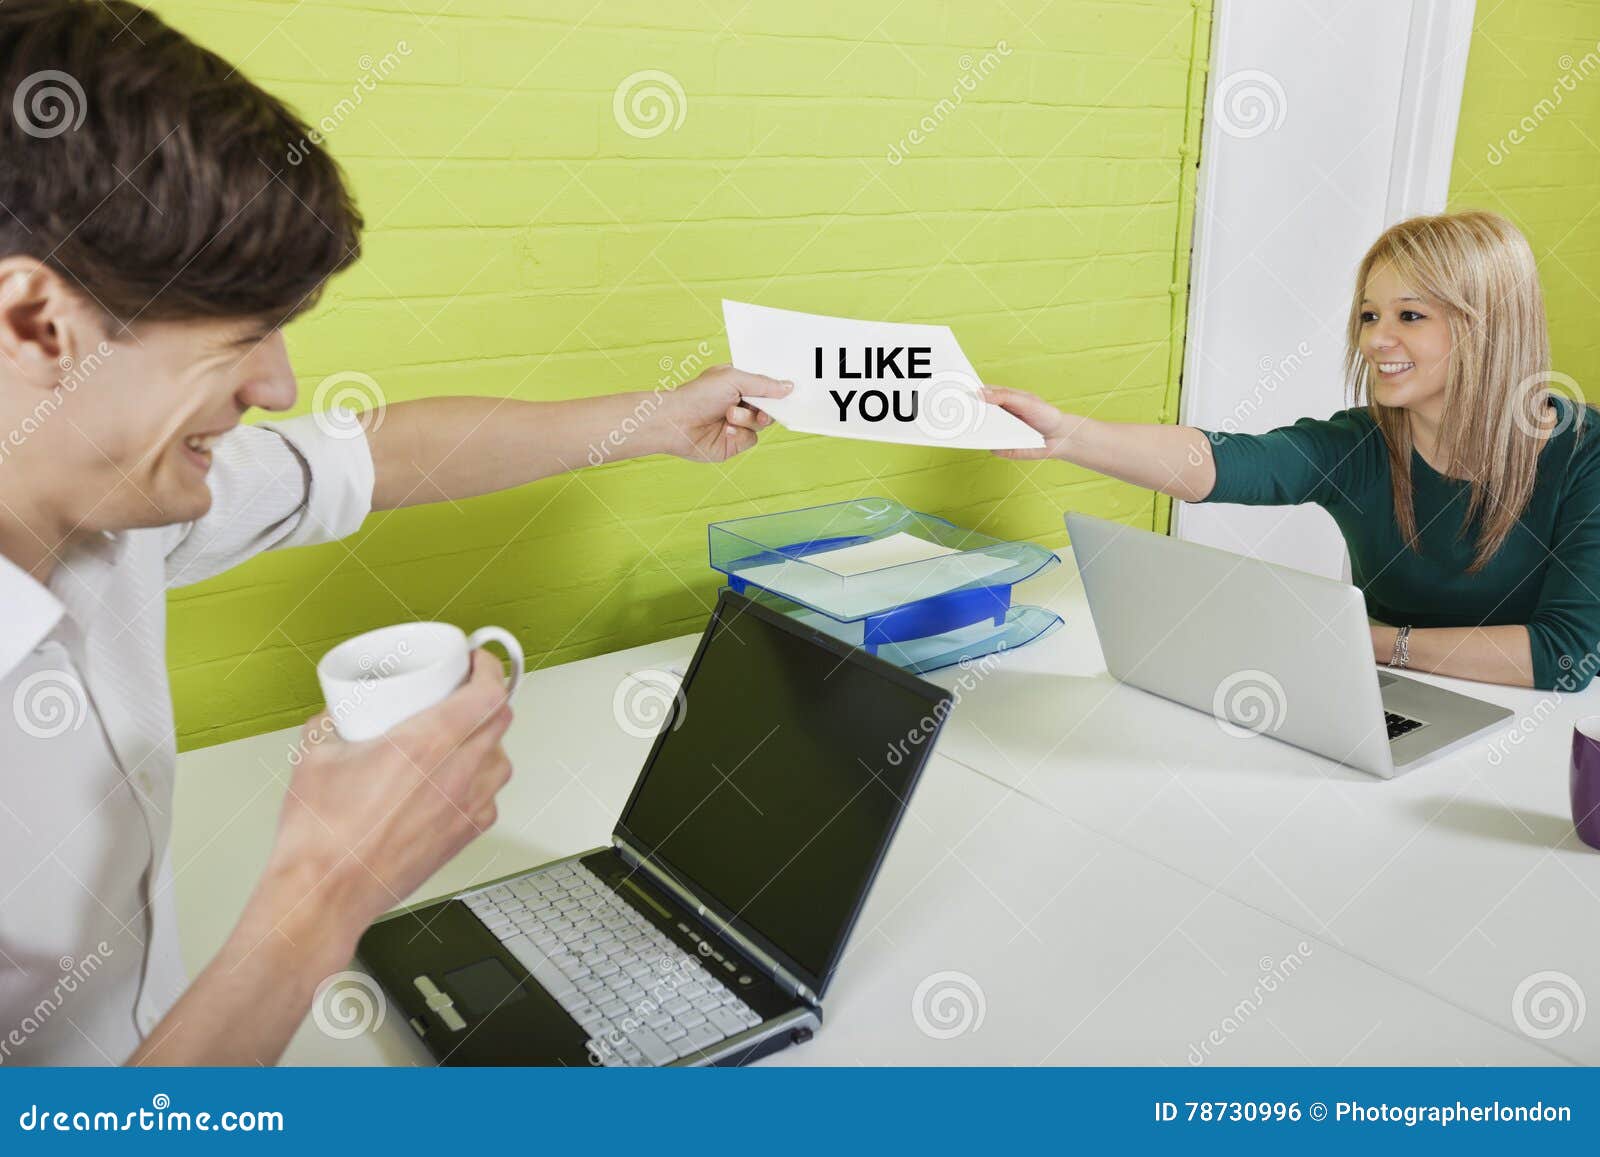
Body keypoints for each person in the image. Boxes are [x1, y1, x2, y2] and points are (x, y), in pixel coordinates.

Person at [0, 0, 785, 1065]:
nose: (277, 386)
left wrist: (653, 422)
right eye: (242, 337)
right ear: (36, 323)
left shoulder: (105, 494)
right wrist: (322, 896)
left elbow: (374, 456)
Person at [987, 210, 1600, 693]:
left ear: (1486, 326)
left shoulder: (1583, 456)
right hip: (1395, 701)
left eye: (1409, 315)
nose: (1374, 340)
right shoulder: (1363, 446)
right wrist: (1067, 435)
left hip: (1535, 725)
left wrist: (1364, 641)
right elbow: (1224, 462)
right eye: (1368, 315)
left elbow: (1566, 652)